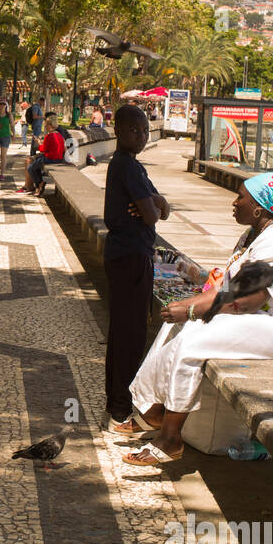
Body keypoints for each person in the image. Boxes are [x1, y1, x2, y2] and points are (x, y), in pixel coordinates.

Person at [123, 173, 273, 466]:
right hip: (258, 321)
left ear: (259, 206)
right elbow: (226, 288)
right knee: (175, 324)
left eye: (241, 196)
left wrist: (192, 310)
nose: (234, 202)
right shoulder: (252, 236)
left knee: (193, 339)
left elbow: (246, 300)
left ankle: (171, 438)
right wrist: (186, 306)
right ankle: (152, 409)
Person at [103, 105, 170, 434]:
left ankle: (116, 405)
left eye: (145, 131)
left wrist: (154, 201)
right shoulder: (126, 167)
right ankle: (119, 413)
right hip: (129, 257)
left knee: (125, 333)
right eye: (134, 130)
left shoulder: (133, 167)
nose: (141, 136)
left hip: (130, 255)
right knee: (129, 336)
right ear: (118, 131)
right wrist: (153, 205)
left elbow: (162, 209)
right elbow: (153, 217)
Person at [18, 113, 67, 195]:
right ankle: (39, 183)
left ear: (50, 125)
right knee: (35, 166)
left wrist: (39, 142)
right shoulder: (59, 135)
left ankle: (39, 184)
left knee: (30, 168)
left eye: (46, 125)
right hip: (58, 158)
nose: (44, 127)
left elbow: (43, 150)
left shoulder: (49, 136)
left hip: (49, 158)